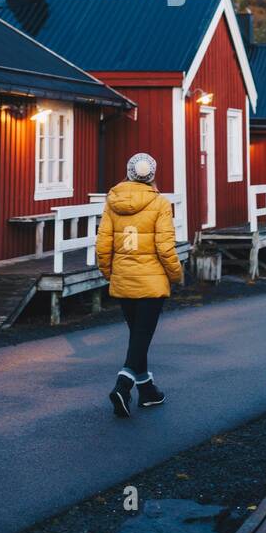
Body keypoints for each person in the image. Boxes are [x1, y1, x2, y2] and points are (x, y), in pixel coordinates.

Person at [96, 152, 182, 418]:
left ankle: (148, 392)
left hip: (124, 279)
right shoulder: (160, 204)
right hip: (151, 281)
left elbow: (103, 245)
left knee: (138, 336)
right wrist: (177, 275)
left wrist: (110, 273)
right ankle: (123, 386)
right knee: (142, 336)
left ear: (129, 172)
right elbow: (165, 248)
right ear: (152, 175)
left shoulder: (112, 201)